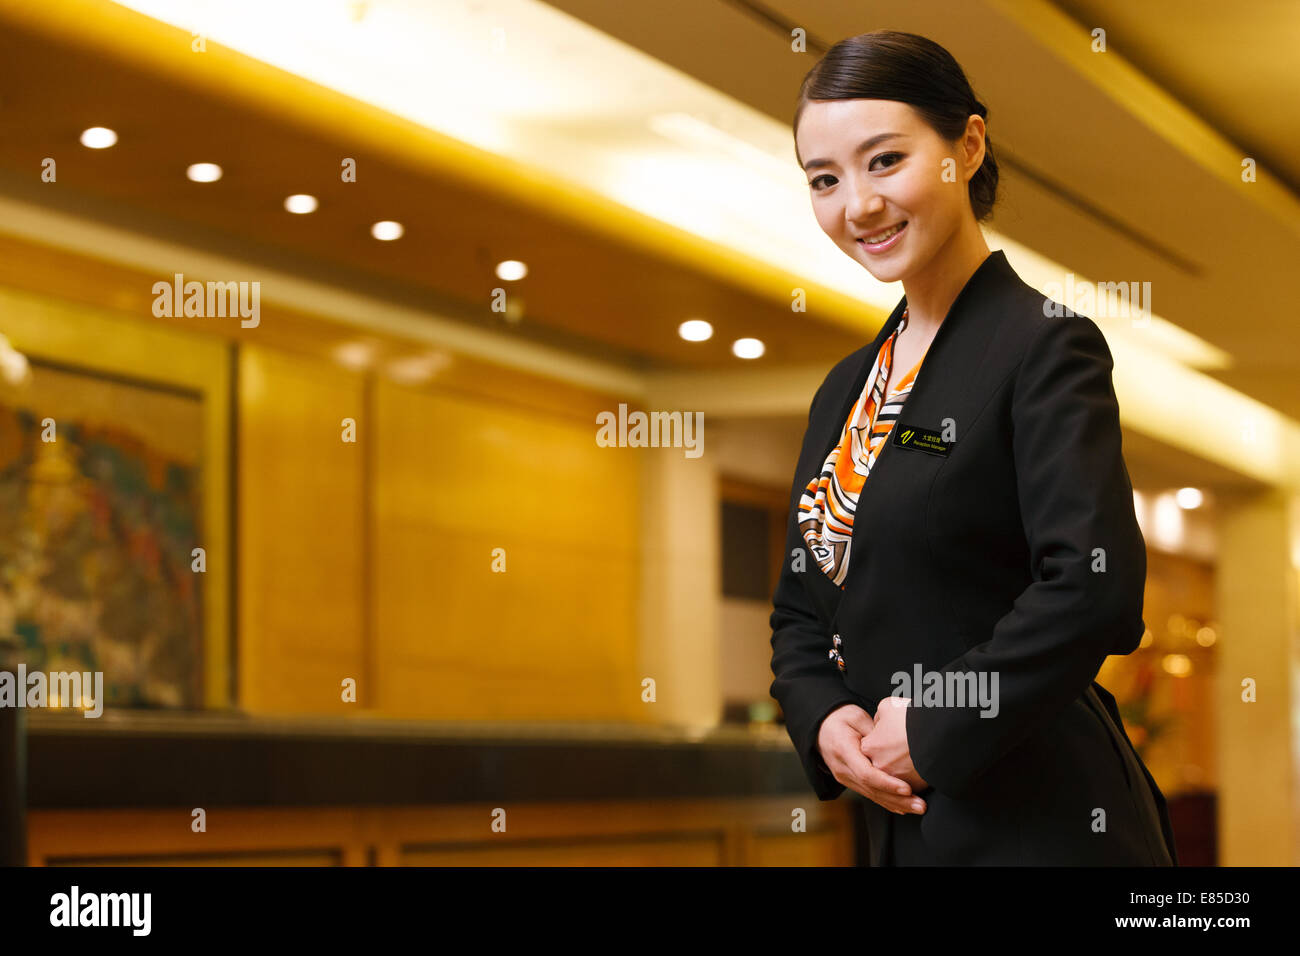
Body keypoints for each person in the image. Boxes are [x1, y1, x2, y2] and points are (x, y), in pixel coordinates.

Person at [769, 30, 1177, 865]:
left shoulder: (1043, 345)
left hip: (1038, 821)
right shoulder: (846, 389)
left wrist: (936, 717)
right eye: (825, 179)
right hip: (901, 826)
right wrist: (824, 718)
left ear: (968, 144)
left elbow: (1096, 589)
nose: (858, 205)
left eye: (885, 161)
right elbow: (800, 609)